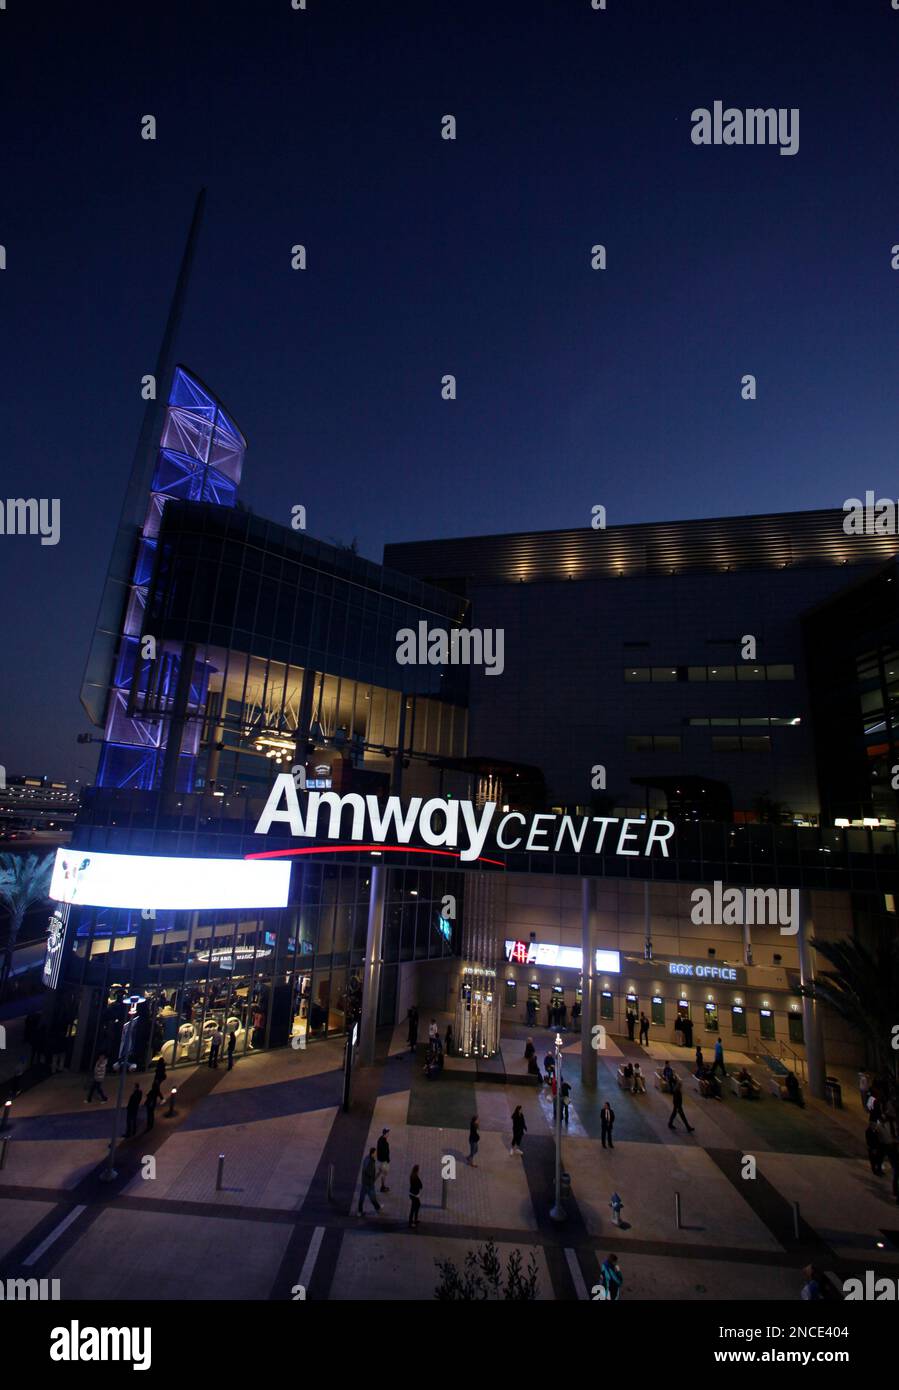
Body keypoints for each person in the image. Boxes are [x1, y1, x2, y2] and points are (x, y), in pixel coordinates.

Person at [358, 1148, 381, 1215]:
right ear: (372, 1154)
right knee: (372, 1196)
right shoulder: (370, 1162)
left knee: (362, 1196)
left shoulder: (367, 1158)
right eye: (375, 1153)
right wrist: (379, 1173)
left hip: (364, 1181)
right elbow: (371, 1175)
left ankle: (359, 1211)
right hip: (369, 1183)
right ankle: (377, 1208)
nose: (376, 1154)